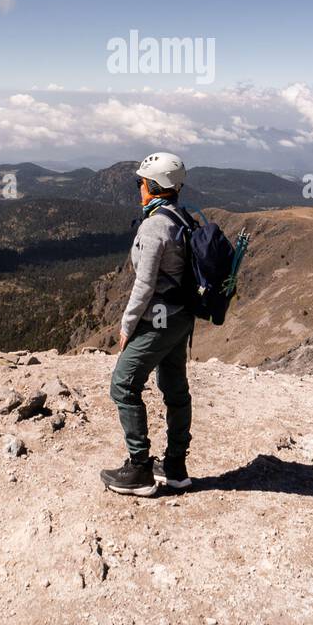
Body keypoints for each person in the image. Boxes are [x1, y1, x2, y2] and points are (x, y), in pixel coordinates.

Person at [100, 151, 194, 496]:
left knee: (123, 385)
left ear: (154, 185)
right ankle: (175, 466)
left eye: (142, 182)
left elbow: (144, 284)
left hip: (158, 319)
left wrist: (127, 326)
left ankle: (139, 469)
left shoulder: (155, 225)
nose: (139, 187)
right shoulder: (182, 218)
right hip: (182, 317)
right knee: (174, 389)